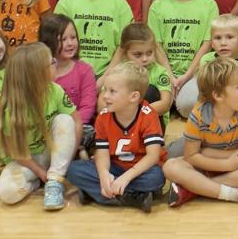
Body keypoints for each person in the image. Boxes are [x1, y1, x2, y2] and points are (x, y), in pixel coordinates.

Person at [164, 58, 238, 207]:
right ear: (218, 95)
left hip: (234, 165)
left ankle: (194, 189)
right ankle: (235, 195)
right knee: (170, 166)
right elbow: (191, 156)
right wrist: (227, 164)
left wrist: (205, 152)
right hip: (212, 166)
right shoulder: (198, 114)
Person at [67, 63, 166, 211]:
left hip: (139, 169)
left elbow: (153, 156)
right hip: (114, 167)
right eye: (105, 90)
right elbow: (102, 152)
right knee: (73, 169)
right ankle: (133, 197)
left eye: (112, 91)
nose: (105, 96)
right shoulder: (103, 117)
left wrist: (126, 178)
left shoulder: (148, 115)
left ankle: (97, 194)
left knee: (157, 178)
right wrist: (103, 175)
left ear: (133, 97)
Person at [0, 44, 79, 209]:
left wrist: (67, 158)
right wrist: (39, 172)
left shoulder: (55, 90)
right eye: (51, 62)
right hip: (27, 161)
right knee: (7, 193)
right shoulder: (9, 108)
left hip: (53, 152)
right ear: (37, 74)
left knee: (65, 120)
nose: (56, 62)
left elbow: (77, 123)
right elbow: (17, 152)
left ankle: (54, 182)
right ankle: (43, 180)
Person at [150, 0, 220, 98]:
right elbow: (156, 45)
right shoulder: (157, 6)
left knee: (188, 103)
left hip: (195, 73)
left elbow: (207, 44)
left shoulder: (209, 5)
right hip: (164, 71)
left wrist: (187, 76)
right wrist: (170, 76)